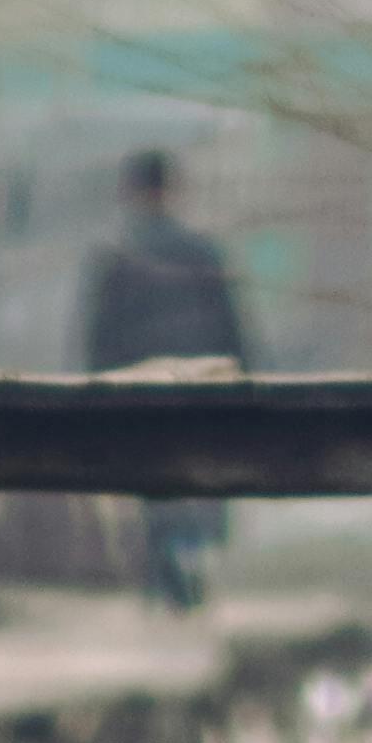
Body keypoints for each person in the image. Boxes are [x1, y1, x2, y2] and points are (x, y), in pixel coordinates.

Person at [77, 148, 248, 606]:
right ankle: (190, 562)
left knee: (152, 484)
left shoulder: (114, 257)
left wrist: (91, 396)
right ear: (173, 190)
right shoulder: (204, 251)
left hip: (139, 397)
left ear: (128, 192)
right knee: (200, 481)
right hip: (202, 393)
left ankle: (163, 570)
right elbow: (233, 331)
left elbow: (97, 340)